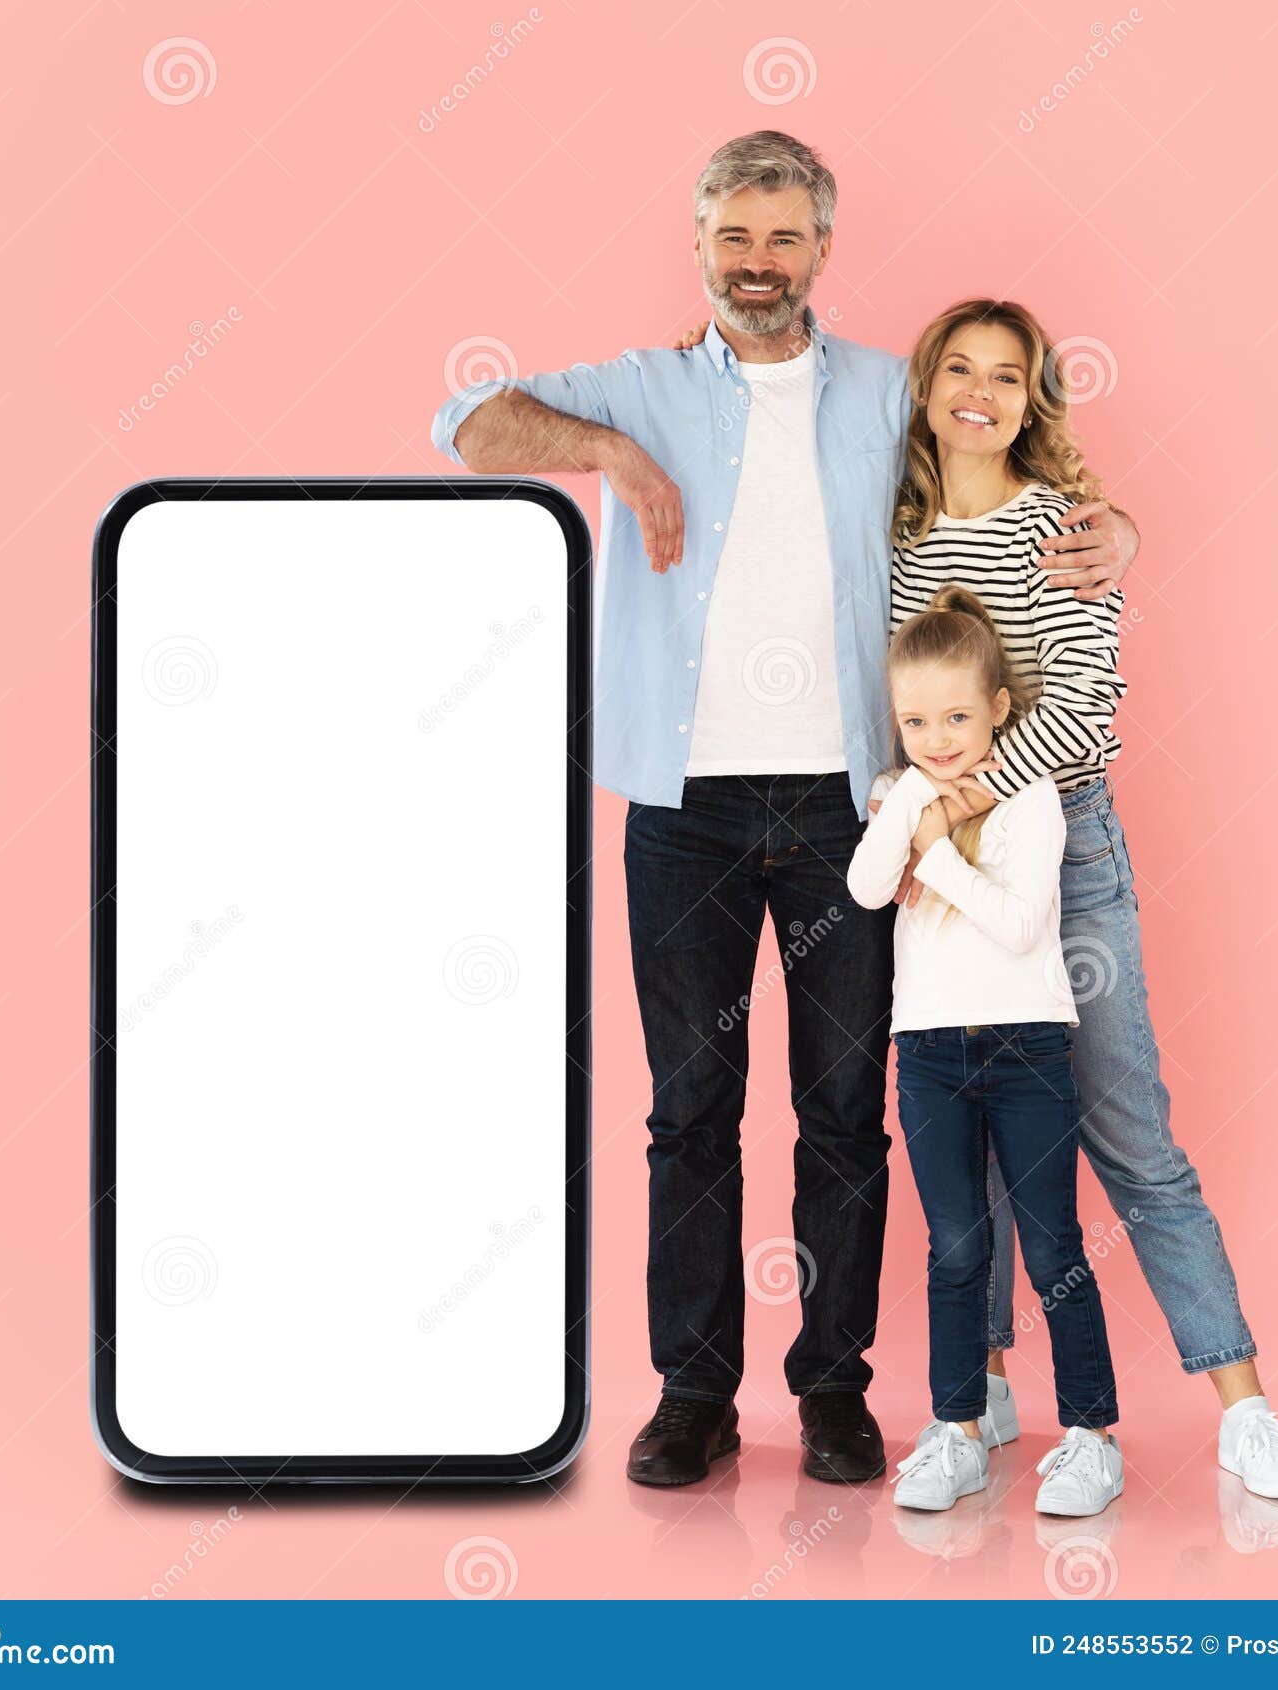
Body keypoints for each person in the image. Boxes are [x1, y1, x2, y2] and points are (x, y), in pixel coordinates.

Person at [430, 132, 1140, 1489]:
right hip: (687, 806)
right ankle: (692, 1390)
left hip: (851, 808)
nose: (757, 264)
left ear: (823, 249)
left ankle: (832, 1388)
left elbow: (1001, 474)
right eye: (733, 239)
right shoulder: (635, 387)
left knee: (838, 1109)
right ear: (700, 245)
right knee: (690, 1105)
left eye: (783, 239)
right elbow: (465, 421)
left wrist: (1123, 532)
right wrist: (611, 458)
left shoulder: (885, 391)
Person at [878, 298, 1278, 1501]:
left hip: (1062, 856)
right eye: (957, 368)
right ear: (923, 385)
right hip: (935, 876)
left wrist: (958, 808)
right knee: (976, 1130)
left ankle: (1242, 1406)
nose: (979, 391)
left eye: (1005, 376)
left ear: (1032, 400)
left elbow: (1087, 707)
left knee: (1128, 1132)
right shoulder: (896, 537)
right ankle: (984, 1395)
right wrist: (916, 826)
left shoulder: (1063, 531)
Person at [848, 585, 1124, 1516]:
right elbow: (860, 887)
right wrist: (907, 810)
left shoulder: (1030, 800)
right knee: (956, 1247)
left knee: (1052, 1248)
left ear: (999, 710)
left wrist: (938, 857)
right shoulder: (910, 791)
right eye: (915, 720)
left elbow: (1017, 926)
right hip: (927, 1053)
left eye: (958, 715)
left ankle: (1091, 1435)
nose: (937, 736)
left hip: (1027, 1050)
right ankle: (958, 1428)